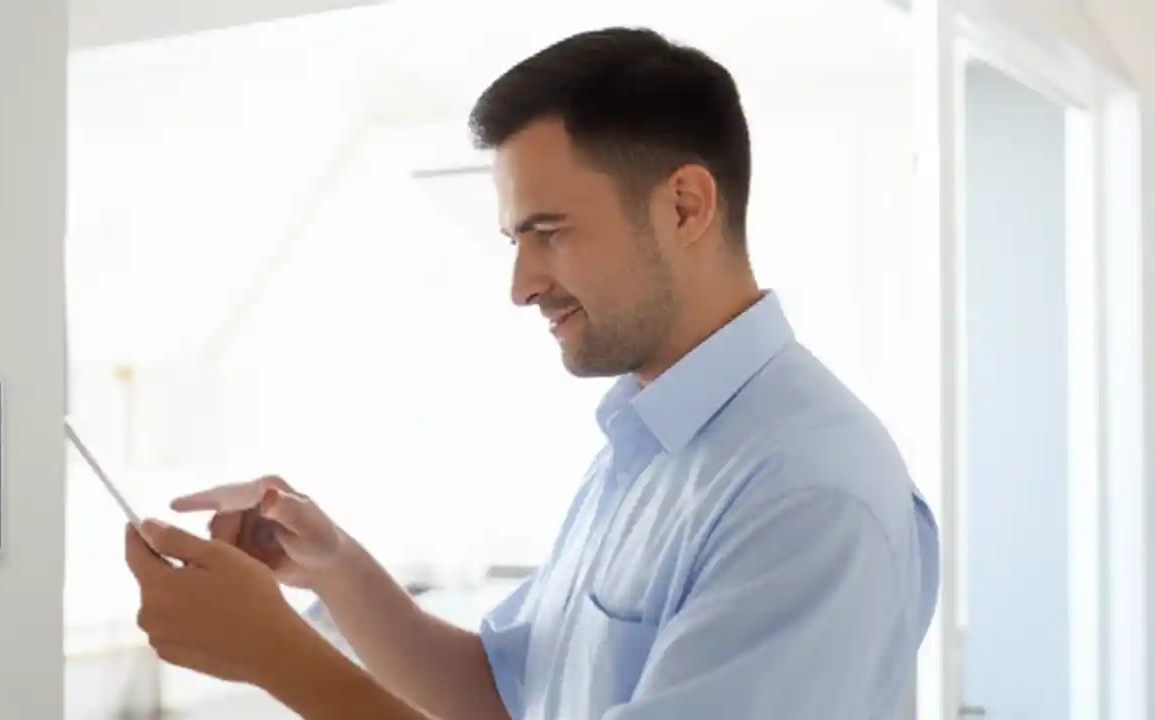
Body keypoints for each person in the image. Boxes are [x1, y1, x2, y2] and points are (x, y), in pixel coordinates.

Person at [125, 26, 940, 720]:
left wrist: (278, 658)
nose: (521, 285)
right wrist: (336, 568)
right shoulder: (648, 444)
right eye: (517, 238)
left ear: (687, 206)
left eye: (549, 230)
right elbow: (501, 693)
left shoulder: (807, 494)